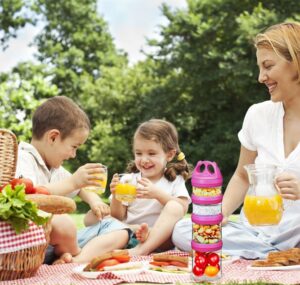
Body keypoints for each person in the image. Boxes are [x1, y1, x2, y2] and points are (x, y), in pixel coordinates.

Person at [172, 22, 300, 258]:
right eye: (260, 68)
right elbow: (242, 176)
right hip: (253, 231)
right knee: (183, 230)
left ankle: (266, 254)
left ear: (296, 63)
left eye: (268, 66)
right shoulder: (257, 115)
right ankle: (274, 255)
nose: (261, 77)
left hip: (296, 232)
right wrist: (216, 218)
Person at [16, 96, 131, 263]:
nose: (73, 155)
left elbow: (80, 188)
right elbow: (30, 194)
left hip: (56, 244)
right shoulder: (22, 158)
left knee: (119, 229)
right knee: (64, 223)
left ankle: (71, 258)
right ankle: (75, 256)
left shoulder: (54, 168)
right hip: (30, 244)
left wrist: (95, 201)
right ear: (53, 137)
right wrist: (73, 182)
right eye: (74, 147)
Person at [86, 119, 192, 255]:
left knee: (174, 206)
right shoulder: (129, 180)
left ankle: (142, 249)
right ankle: (107, 244)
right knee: (91, 217)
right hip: (130, 235)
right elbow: (118, 215)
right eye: (139, 153)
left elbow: (182, 209)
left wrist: (157, 194)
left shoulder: (174, 180)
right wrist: (117, 197)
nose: (144, 159)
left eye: (152, 153)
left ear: (169, 155)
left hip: (161, 238)